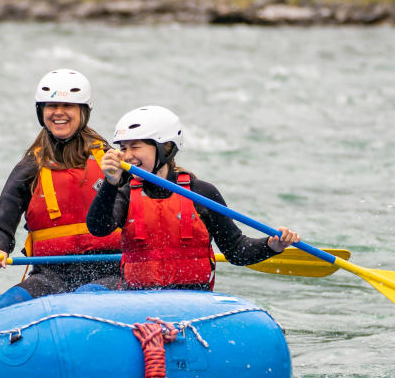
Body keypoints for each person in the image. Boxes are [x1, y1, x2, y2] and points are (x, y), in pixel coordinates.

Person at [86, 105, 300, 290]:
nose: (127, 155)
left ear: (165, 148)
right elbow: (99, 228)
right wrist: (110, 183)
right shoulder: (124, 192)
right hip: (138, 299)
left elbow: (236, 251)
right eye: (123, 148)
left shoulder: (202, 193)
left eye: (136, 146)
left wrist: (273, 245)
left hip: (194, 301)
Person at [0, 69, 122, 309]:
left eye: (68, 105)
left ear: (83, 112)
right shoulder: (29, 168)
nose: (58, 112)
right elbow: (0, 225)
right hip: (50, 275)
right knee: (2, 307)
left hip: (109, 271)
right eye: (51, 106)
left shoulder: (110, 161)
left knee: (83, 301)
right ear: (41, 111)